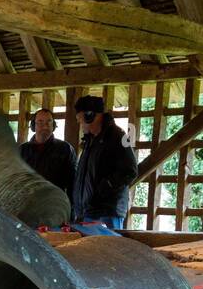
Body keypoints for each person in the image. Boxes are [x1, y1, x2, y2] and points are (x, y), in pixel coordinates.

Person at [71, 95, 138, 229]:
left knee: (109, 248)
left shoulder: (116, 136)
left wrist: (105, 187)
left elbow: (130, 171)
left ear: (90, 115)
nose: (80, 124)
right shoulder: (90, 141)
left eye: (80, 119)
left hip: (107, 212)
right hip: (90, 211)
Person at [19, 108, 76, 204]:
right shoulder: (22, 150)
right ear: (33, 126)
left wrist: (70, 210)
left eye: (49, 122)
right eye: (40, 122)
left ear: (53, 125)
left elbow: (73, 184)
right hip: (28, 206)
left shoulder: (65, 149)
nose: (45, 126)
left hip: (54, 205)